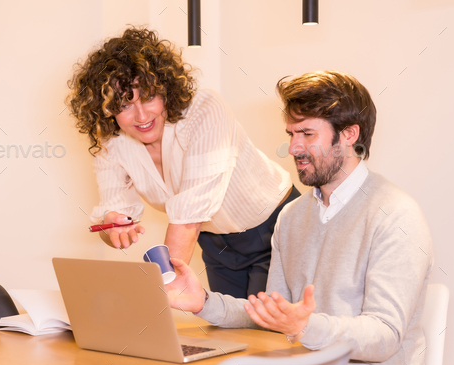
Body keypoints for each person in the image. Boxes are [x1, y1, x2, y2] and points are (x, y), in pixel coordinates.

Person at [166, 71, 433, 365]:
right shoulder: (293, 216)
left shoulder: (396, 214)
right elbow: (275, 313)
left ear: (349, 134)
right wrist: (202, 302)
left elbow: (384, 337)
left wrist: (304, 325)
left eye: (307, 134)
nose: (293, 148)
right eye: (292, 134)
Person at [67, 27, 298, 298]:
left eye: (149, 97)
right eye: (125, 105)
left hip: (275, 227)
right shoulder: (111, 143)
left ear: (166, 89)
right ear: (106, 109)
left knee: (268, 331)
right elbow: (112, 217)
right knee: (233, 333)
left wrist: (155, 297)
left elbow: (188, 218)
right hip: (215, 242)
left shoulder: (204, 110)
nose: (141, 116)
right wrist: (114, 226)